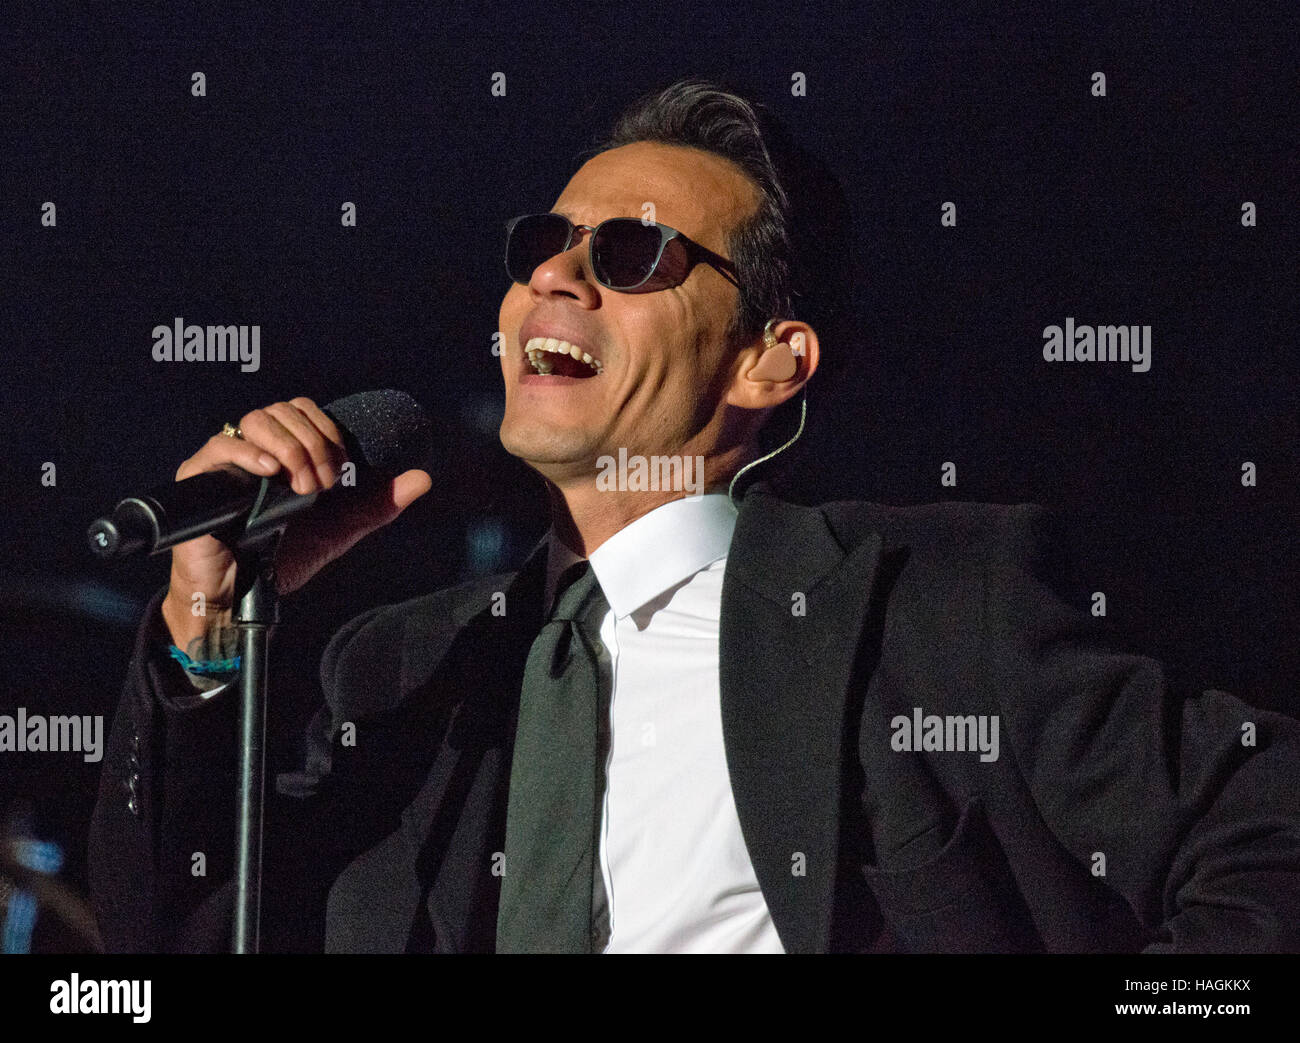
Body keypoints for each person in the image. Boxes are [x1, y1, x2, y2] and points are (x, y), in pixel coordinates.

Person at [89, 79, 1300, 953]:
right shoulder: (403, 670)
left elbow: (1267, 829)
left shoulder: (934, 605)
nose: (553, 277)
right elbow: (165, 934)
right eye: (544, 246)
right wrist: (210, 627)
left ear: (768, 361)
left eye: (629, 253)